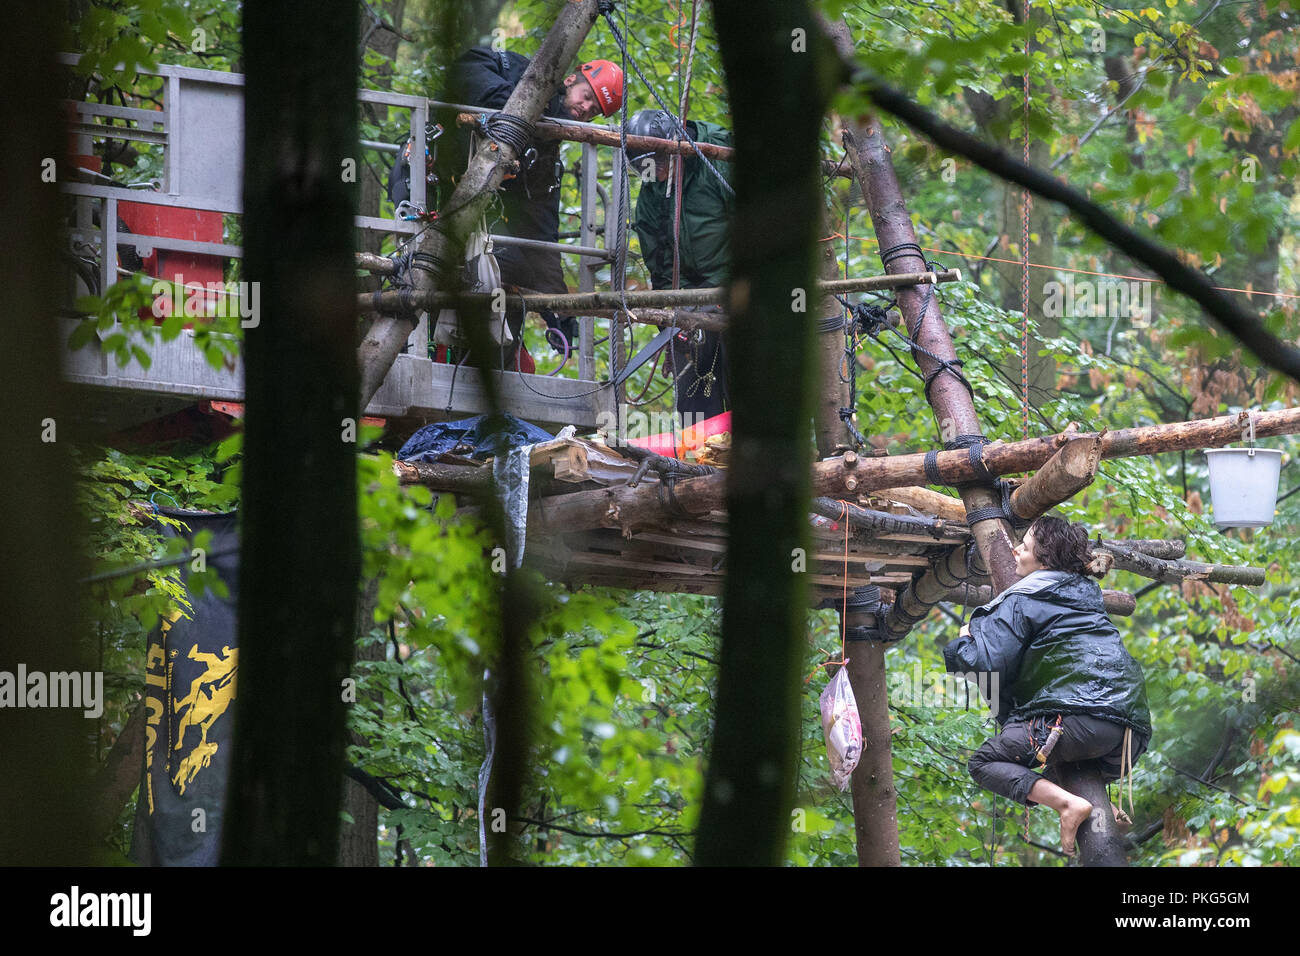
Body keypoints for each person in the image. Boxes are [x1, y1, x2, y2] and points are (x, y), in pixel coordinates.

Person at [942, 515, 1152, 855]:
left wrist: (964, 640)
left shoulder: (1022, 598)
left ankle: (1069, 805)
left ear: (1045, 560)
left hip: (1074, 721)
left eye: (1023, 547)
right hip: (1129, 736)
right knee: (1050, 758)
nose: (1014, 551)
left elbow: (984, 664)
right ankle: (1099, 806)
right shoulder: (1087, 596)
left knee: (984, 762)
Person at [428, 48, 624, 367]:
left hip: (483, 238)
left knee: (513, 265)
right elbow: (464, 67)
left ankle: (490, 369)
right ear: (571, 79)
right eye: (586, 96)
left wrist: (558, 309)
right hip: (433, 188)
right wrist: (519, 109)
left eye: (592, 111)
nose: (584, 108)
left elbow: (542, 236)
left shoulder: (545, 158)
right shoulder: (524, 72)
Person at [625, 109, 734, 422]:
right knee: (694, 391)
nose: (657, 174)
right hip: (692, 298)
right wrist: (672, 323)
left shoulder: (720, 157)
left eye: (660, 164)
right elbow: (660, 267)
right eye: (646, 167)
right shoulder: (653, 191)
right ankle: (699, 463)